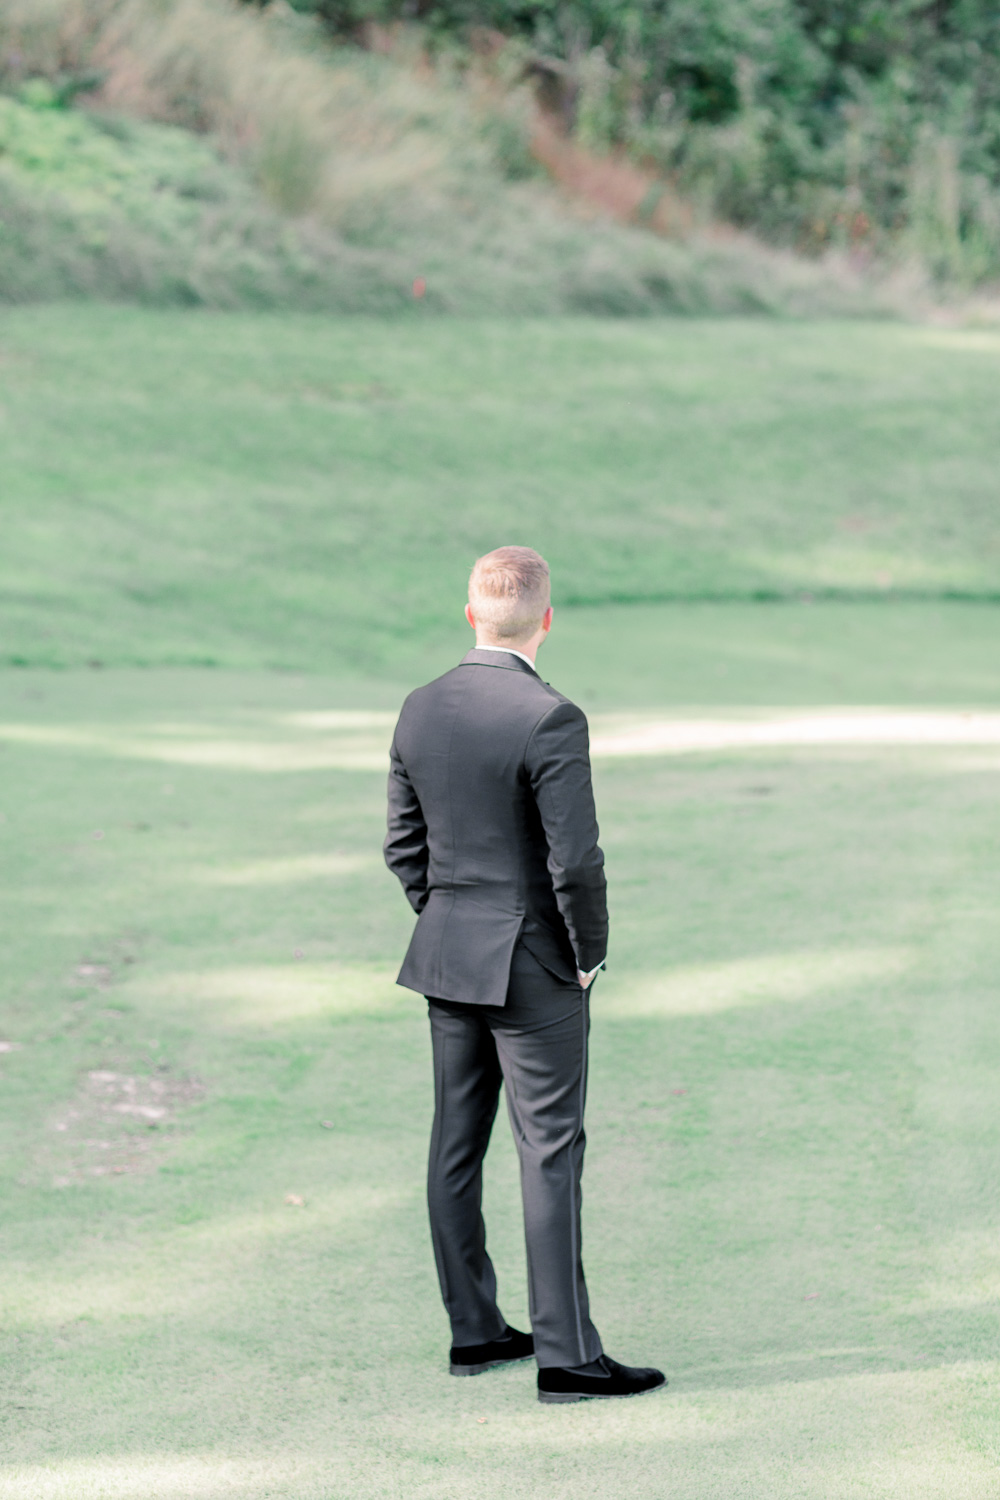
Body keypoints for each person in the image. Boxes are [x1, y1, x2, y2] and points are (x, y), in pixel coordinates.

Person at [384, 545, 666, 1404]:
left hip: (447, 954)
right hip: (534, 966)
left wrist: (448, 922)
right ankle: (567, 1356)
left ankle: (475, 1333)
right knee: (549, 1151)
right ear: (547, 618)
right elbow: (574, 862)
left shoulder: (419, 705)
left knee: (454, 1144)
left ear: (470, 612)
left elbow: (403, 846)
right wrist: (586, 956)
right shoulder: (551, 716)